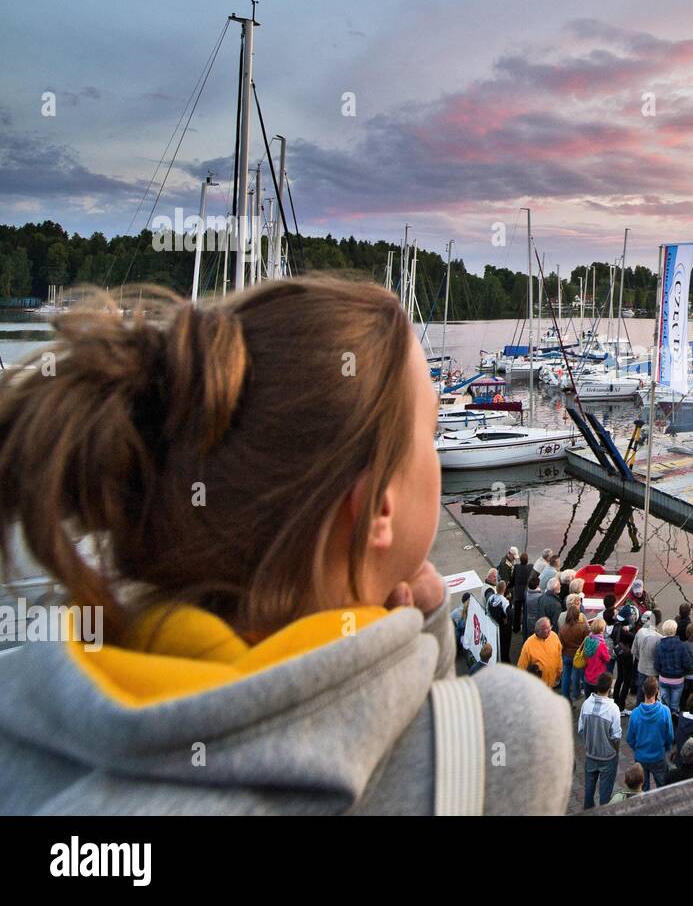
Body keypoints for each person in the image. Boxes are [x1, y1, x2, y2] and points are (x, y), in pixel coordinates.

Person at [0, 277, 572, 815]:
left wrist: (419, 635)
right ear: (377, 507)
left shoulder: (28, 712)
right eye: (429, 432)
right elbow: (432, 750)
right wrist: (419, 648)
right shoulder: (514, 736)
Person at [578, 673, 622, 809]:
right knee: (605, 792)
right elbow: (616, 736)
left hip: (590, 754)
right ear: (610, 688)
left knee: (589, 789)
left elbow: (580, 729)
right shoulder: (613, 709)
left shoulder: (586, 705)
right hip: (608, 756)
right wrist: (616, 751)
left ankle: (587, 811)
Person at [626, 676, 674, 791]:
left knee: (642, 790)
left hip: (641, 757)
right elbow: (670, 736)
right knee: (663, 788)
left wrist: (637, 748)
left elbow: (629, 738)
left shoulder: (635, 713)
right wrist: (666, 747)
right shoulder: (665, 711)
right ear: (657, 691)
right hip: (658, 756)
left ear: (643, 690)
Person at [653, 619, 688, 718]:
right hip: (678, 679)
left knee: (664, 704)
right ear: (675, 630)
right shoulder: (681, 646)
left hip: (663, 678)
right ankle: (674, 721)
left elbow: (656, 665)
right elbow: (686, 663)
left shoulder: (659, 646)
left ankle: (665, 721)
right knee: (675, 705)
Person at [517, 617, 563, 688]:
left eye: (550, 627)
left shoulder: (554, 636)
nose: (550, 629)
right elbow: (521, 666)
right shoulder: (528, 644)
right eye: (547, 629)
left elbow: (559, 655)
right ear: (539, 631)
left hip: (552, 682)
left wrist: (559, 672)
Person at [558, 603, 589, 702]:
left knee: (566, 676)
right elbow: (587, 642)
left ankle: (566, 698)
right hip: (579, 655)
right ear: (577, 615)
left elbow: (560, 644)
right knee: (580, 675)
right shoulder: (583, 627)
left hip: (567, 655)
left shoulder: (563, 628)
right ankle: (577, 694)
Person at [631, 610, 663, 704]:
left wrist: (641, 659)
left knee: (640, 693)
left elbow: (634, 650)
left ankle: (638, 711)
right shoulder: (659, 638)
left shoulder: (640, 632)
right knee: (653, 695)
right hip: (653, 672)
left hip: (641, 668)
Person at [581, 618, 612, 697]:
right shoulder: (601, 645)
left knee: (588, 700)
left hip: (587, 676)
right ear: (601, 630)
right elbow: (607, 659)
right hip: (598, 679)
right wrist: (608, 651)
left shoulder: (587, 639)